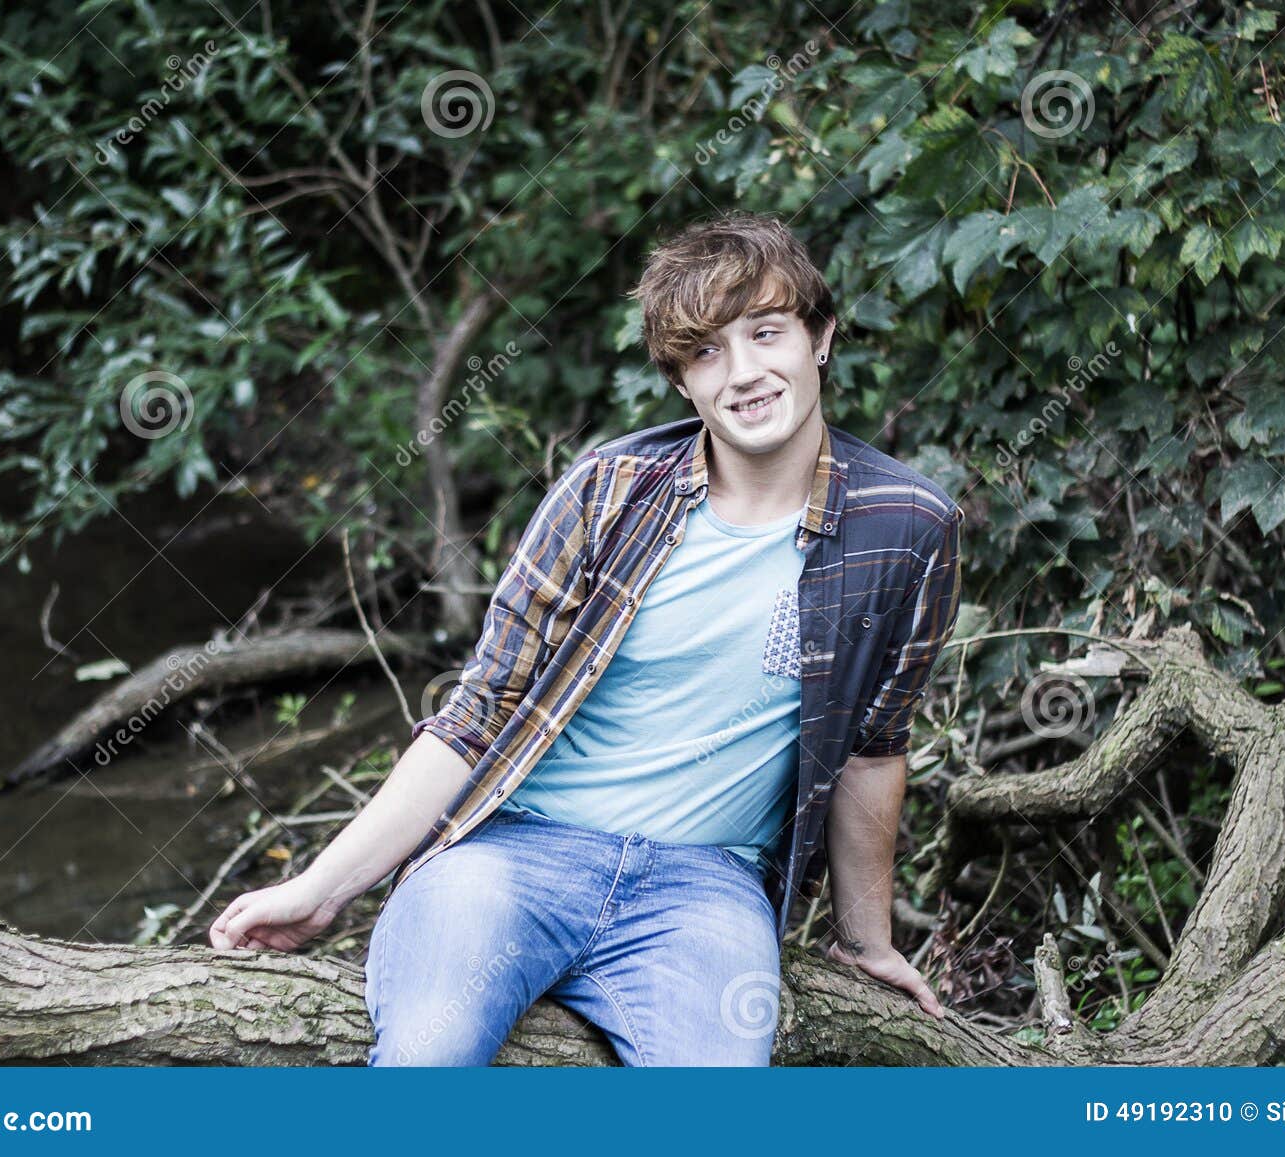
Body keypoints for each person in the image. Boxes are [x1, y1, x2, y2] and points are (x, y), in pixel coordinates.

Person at [209, 211, 965, 1066]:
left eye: (765, 333)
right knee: (429, 1058)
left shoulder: (906, 525)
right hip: (510, 856)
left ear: (819, 338)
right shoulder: (608, 493)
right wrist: (321, 888)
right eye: (707, 352)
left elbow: (872, 748)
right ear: (682, 382)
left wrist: (867, 941)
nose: (744, 373)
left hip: (703, 892)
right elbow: (477, 715)